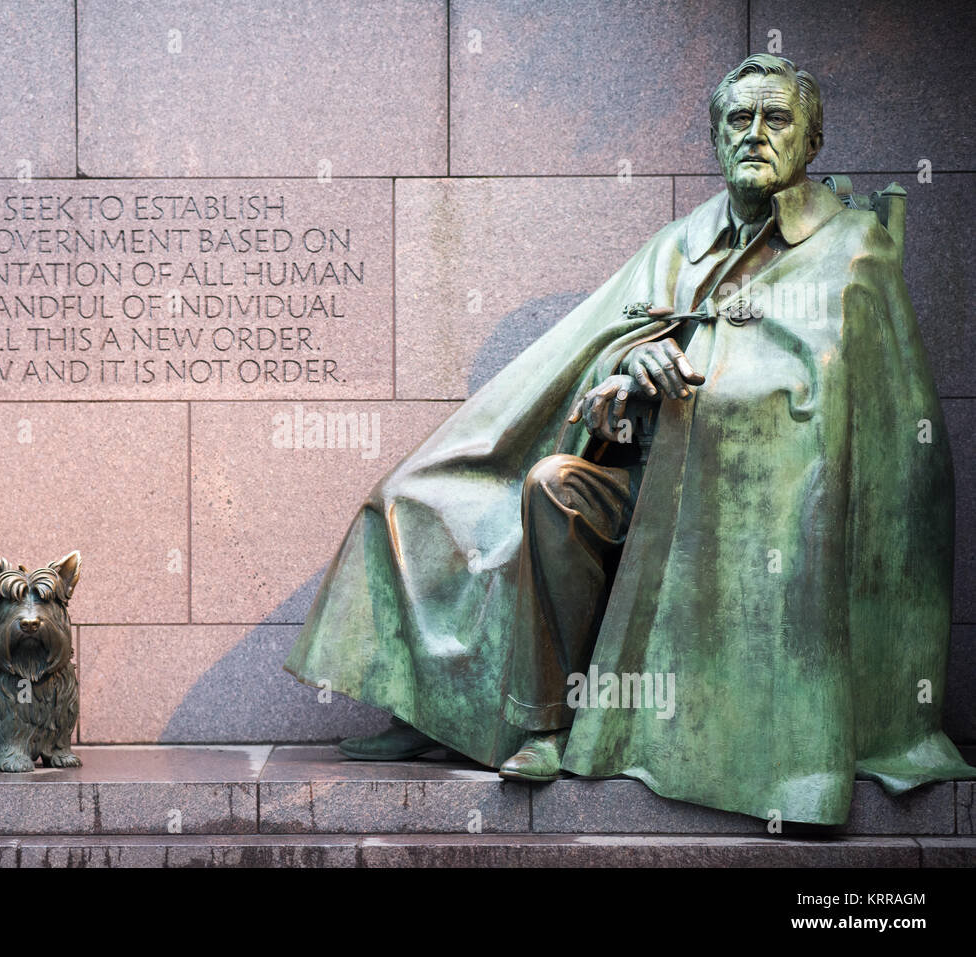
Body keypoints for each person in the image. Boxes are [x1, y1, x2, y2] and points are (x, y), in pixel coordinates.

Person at [283, 53, 976, 825]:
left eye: (775, 119)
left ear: (811, 141)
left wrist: (704, 384)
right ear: (716, 138)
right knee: (519, 487)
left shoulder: (853, 248)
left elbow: (852, 413)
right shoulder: (681, 243)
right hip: (645, 477)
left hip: (753, 509)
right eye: (737, 120)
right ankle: (518, 716)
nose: (754, 134)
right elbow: (604, 344)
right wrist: (623, 369)